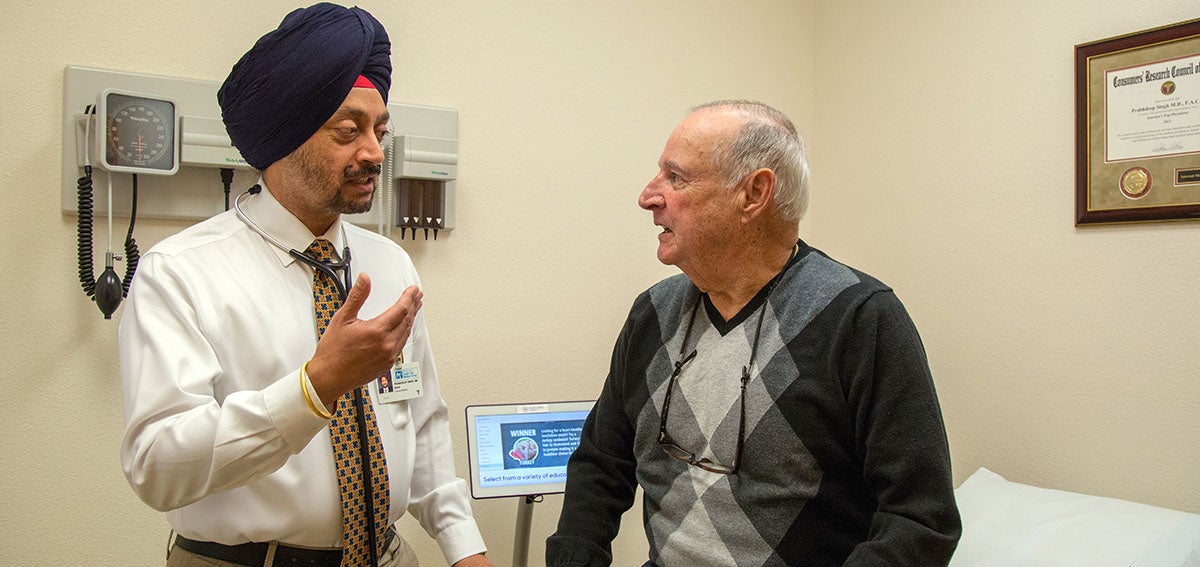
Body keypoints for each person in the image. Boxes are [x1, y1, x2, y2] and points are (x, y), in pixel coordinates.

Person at [119, 4, 492, 566]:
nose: (373, 151)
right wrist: (314, 388)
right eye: (349, 130)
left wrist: (465, 548)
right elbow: (157, 467)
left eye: (379, 130)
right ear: (285, 139)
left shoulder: (389, 265)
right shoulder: (181, 272)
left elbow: (420, 420)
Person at [546, 101, 960, 566]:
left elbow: (921, 520)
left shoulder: (859, 319)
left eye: (676, 178)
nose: (648, 196)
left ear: (755, 193)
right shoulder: (653, 314)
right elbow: (601, 465)